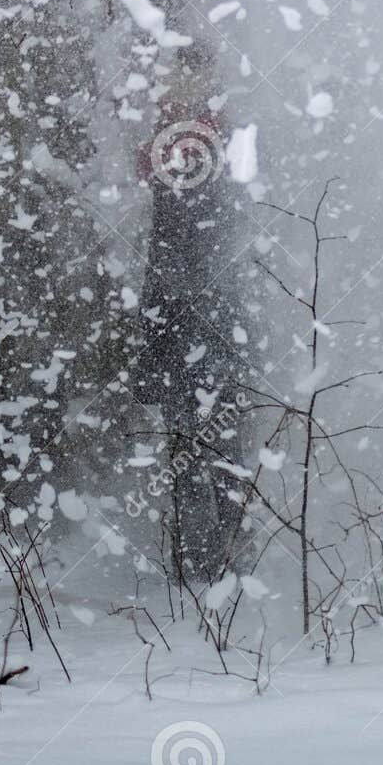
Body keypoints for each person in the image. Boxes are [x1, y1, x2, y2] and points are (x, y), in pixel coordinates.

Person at [135, 43, 247, 582]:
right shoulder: (165, 147)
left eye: (187, 77)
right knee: (191, 446)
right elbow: (163, 252)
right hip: (185, 327)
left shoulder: (218, 144)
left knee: (219, 441)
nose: (176, 90)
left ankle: (220, 558)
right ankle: (202, 561)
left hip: (214, 323)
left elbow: (225, 242)